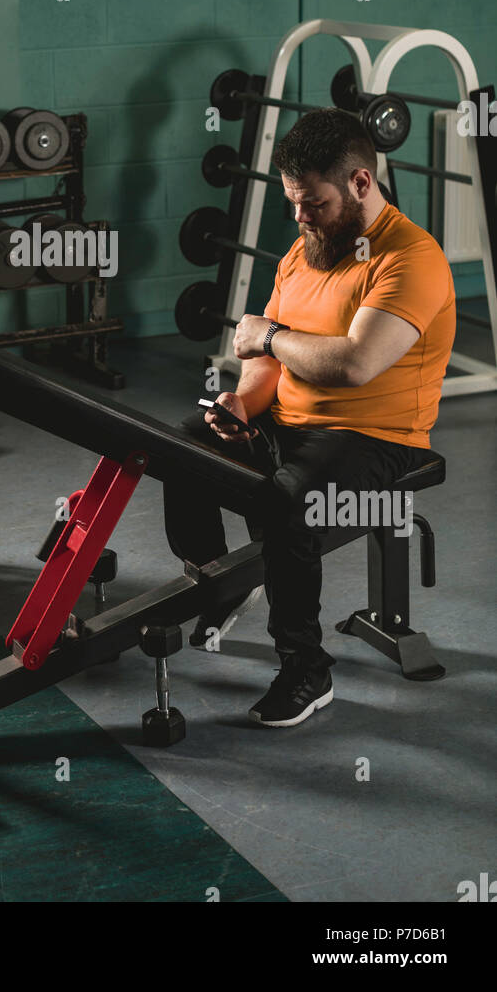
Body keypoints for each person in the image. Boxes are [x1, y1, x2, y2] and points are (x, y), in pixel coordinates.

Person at [166, 108, 455, 727]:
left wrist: (268, 336)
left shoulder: (410, 258)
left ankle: (306, 669)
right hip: (290, 422)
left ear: (359, 184)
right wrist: (242, 403)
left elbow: (353, 365)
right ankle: (222, 581)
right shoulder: (305, 253)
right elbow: (264, 364)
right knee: (181, 448)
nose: (300, 217)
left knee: (285, 501)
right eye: (293, 202)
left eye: (312, 204)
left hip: (376, 437)